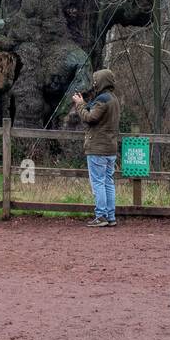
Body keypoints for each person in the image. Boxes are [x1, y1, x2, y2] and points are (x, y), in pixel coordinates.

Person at [70, 68, 120, 227]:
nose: (94, 84)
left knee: (98, 182)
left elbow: (90, 118)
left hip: (98, 148)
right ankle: (110, 216)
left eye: (96, 81)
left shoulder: (102, 100)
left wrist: (79, 105)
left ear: (101, 82)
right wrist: (85, 104)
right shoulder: (113, 99)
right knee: (108, 182)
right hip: (110, 148)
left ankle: (100, 216)